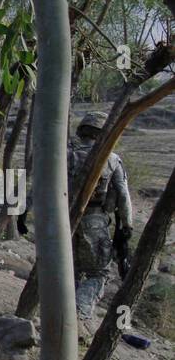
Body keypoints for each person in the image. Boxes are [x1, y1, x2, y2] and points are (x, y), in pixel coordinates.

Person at [70, 111, 133, 319]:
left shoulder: (66, 155)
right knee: (99, 272)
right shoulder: (111, 159)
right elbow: (123, 195)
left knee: (71, 269)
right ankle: (79, 313)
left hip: (64, 219)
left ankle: (61, 313)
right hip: (94, 220)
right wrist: (127, 225)